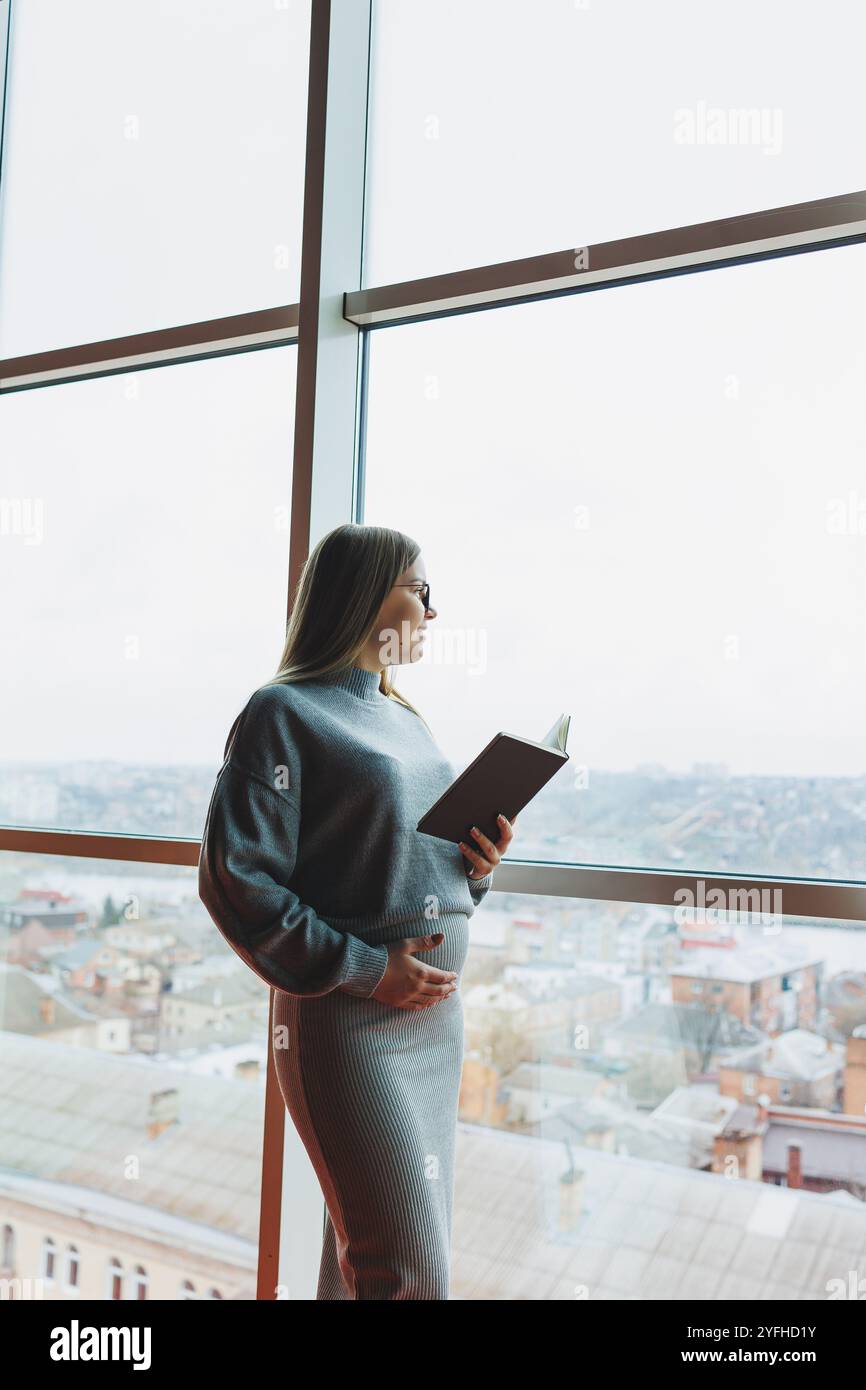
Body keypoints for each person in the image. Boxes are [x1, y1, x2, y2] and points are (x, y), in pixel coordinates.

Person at [197, 523, 518, 1300]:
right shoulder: (283, 713)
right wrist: (373, 971)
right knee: (411, 1277)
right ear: (366, 595)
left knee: (366, 1259)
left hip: (432, 1025)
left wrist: (475, 869)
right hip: (347, 1025)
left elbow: (396, 862)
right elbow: (237, 880)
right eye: (420, 591)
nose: (434, 614)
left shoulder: (404, 717)